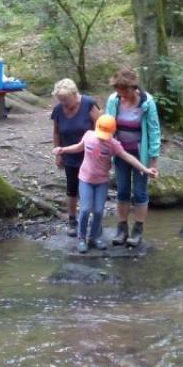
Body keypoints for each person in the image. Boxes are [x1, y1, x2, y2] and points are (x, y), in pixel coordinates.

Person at [54, 115, 158, 254]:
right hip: (85, 179)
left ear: (113, 132)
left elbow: (128, 157)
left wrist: (145, 170)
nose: (103, 137)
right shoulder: (89, 136)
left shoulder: (113, 144)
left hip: (101, 182)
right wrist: (63, 150)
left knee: (98, 211)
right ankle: (81, 238)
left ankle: (94, 237)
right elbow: (79, 147)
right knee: (85, 209)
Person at [104, 68, 162, 248]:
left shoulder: (147, 102)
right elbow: (106, 128)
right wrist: (106, 154)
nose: (120, 93)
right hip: (120, 153)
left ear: (132, 88)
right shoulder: (113, 100)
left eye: (122, 89)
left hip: (140, 154)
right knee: (122, 191)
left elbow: (154, 130)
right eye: (117, 89)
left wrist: (153, 161)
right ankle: (122, 228)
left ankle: (138, 230)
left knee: (140, 192)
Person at [49, 78, 101, 234]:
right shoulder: (58, 110)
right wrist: (58, 153)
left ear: (74, 94)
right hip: (69, 154)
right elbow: (56, 132)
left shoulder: (89, 104)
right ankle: (72, 220)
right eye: (60, 100)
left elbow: (102, 127)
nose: (63, 103)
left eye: (65, 99)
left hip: (91, 155)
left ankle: (94, 221)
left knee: (91, 188)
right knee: (72, 188)